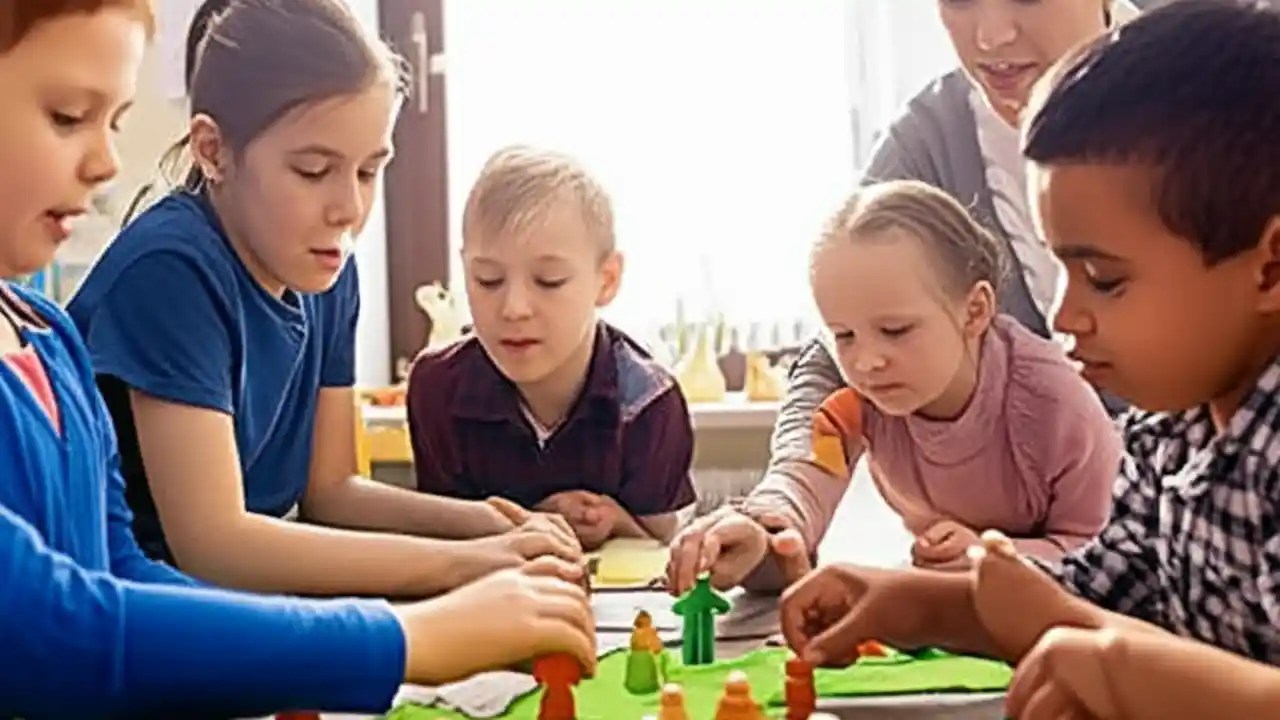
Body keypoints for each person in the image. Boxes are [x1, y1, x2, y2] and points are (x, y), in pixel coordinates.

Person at [0, 2, 595, 716]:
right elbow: (79, 617)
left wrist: (479, 537)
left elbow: (122, 572)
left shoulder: (48, 337)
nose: (107, 162)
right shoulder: (167, 270)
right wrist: (414, 624)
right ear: (214, 152)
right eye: (68, 116)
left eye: (372, 171)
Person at [778, 0, 1280, 672]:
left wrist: (1119, 674)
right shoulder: (1169, 437)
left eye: (1103, 279)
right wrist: (909, 603)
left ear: (1269, 267)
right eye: (1059, 267)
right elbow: (1097, 600)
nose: (1062, 313)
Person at [735, 0, 1136, 590]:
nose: (991, 35)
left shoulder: (1233, 88)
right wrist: (780, 511)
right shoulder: (928, 141)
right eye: (958, 0)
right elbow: (838, 356)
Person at [666, 181, 1118, 594]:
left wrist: (995, 556)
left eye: (896, 330)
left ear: (975, 311)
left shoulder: (1055, 403)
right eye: (843, 335)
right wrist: (758, 525)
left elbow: (1113, 560)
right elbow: (803, 477)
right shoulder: (852, 399)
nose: (866, 362)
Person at [408, 146, 696, 551]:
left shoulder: (648, 400)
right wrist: (526, 523)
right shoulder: (437, 387)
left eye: (549, 280)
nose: (514, 309)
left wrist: (617, 523)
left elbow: (664, 556)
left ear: (607, 280)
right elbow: (438, 541)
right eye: (488, 280)